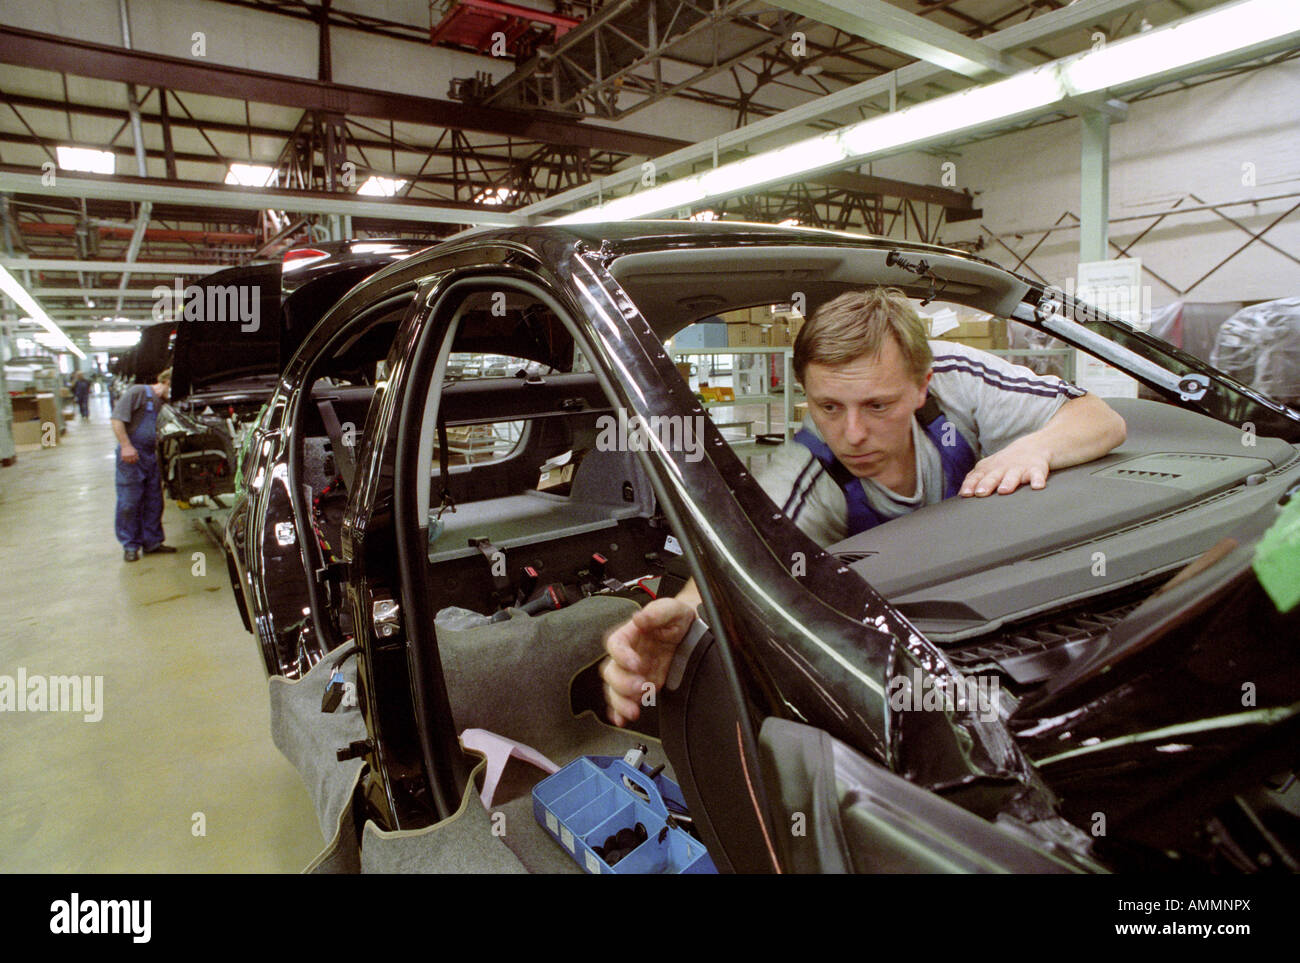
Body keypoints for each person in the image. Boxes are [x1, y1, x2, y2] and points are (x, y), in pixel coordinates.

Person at [601, 287, 1127, 727]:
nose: (852, 435)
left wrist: (1033, 446)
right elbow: (739, 559)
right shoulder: (807, 474)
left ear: (922, 385)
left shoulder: (958, 379)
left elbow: (1100, 419)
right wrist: (687, 618)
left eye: (878, 405)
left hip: (1019, 608)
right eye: (829, 407)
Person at [111, 368, 178, 562]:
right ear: (166, 382)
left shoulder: (164, 404)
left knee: (154, 500)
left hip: (151, 456)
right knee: (129, 502)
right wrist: (125, 445)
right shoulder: (138, 392)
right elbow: (116, 420)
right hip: (132, 454)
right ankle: (130, 546)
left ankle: (152, 542)